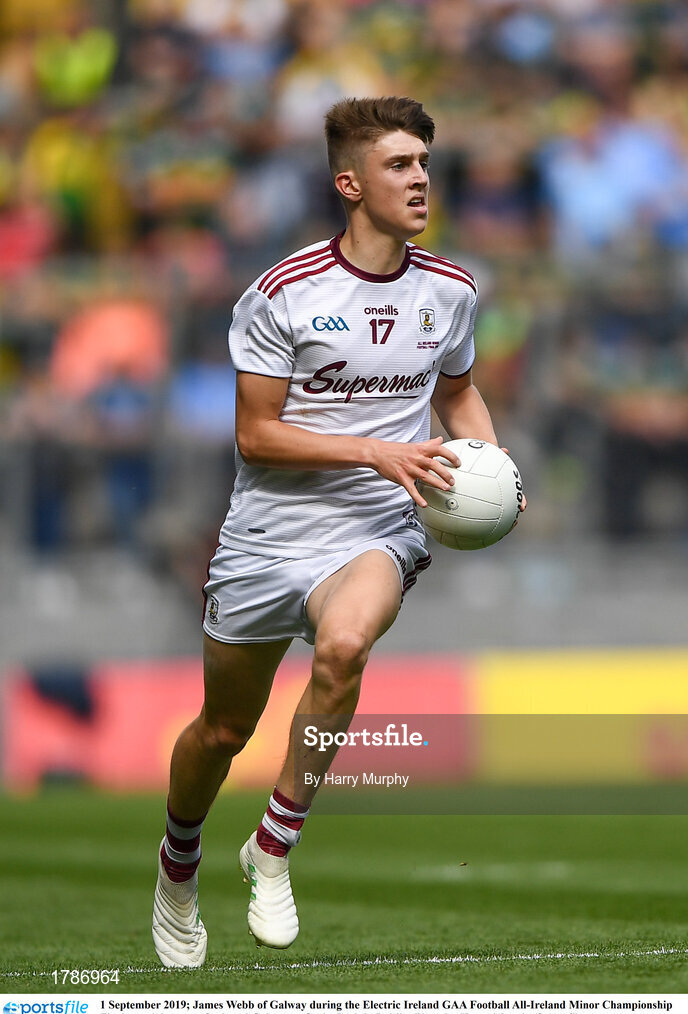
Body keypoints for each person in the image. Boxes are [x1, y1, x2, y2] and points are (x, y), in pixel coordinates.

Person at [152, 95, 524, 968]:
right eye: (400, 166)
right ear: (349, 184)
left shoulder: (454, 290)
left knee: (345, 647)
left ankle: (274, 847)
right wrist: (375, 450)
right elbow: (256, 434)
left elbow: (458, 392)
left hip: (377, 526)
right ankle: (178, 865)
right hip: (267, 533)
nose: (421, 179)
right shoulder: (283, 293)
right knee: (221, 730)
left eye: (425, 164)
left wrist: (491, 471)